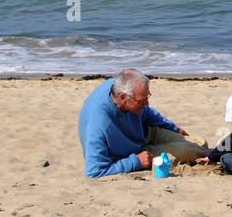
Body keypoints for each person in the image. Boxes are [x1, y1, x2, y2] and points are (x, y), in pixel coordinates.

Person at [77, 69, 209, 178]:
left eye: (147, 97)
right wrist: (136, 162)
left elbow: (147, 112)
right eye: (142, 100)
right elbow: (94, 172)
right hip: (134, 153)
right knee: (192, 151)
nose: (147, 103)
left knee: (200, 142)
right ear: (123, 97)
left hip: (145, 131)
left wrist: (173, 128)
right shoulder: (98, 126)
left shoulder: (116, 84)